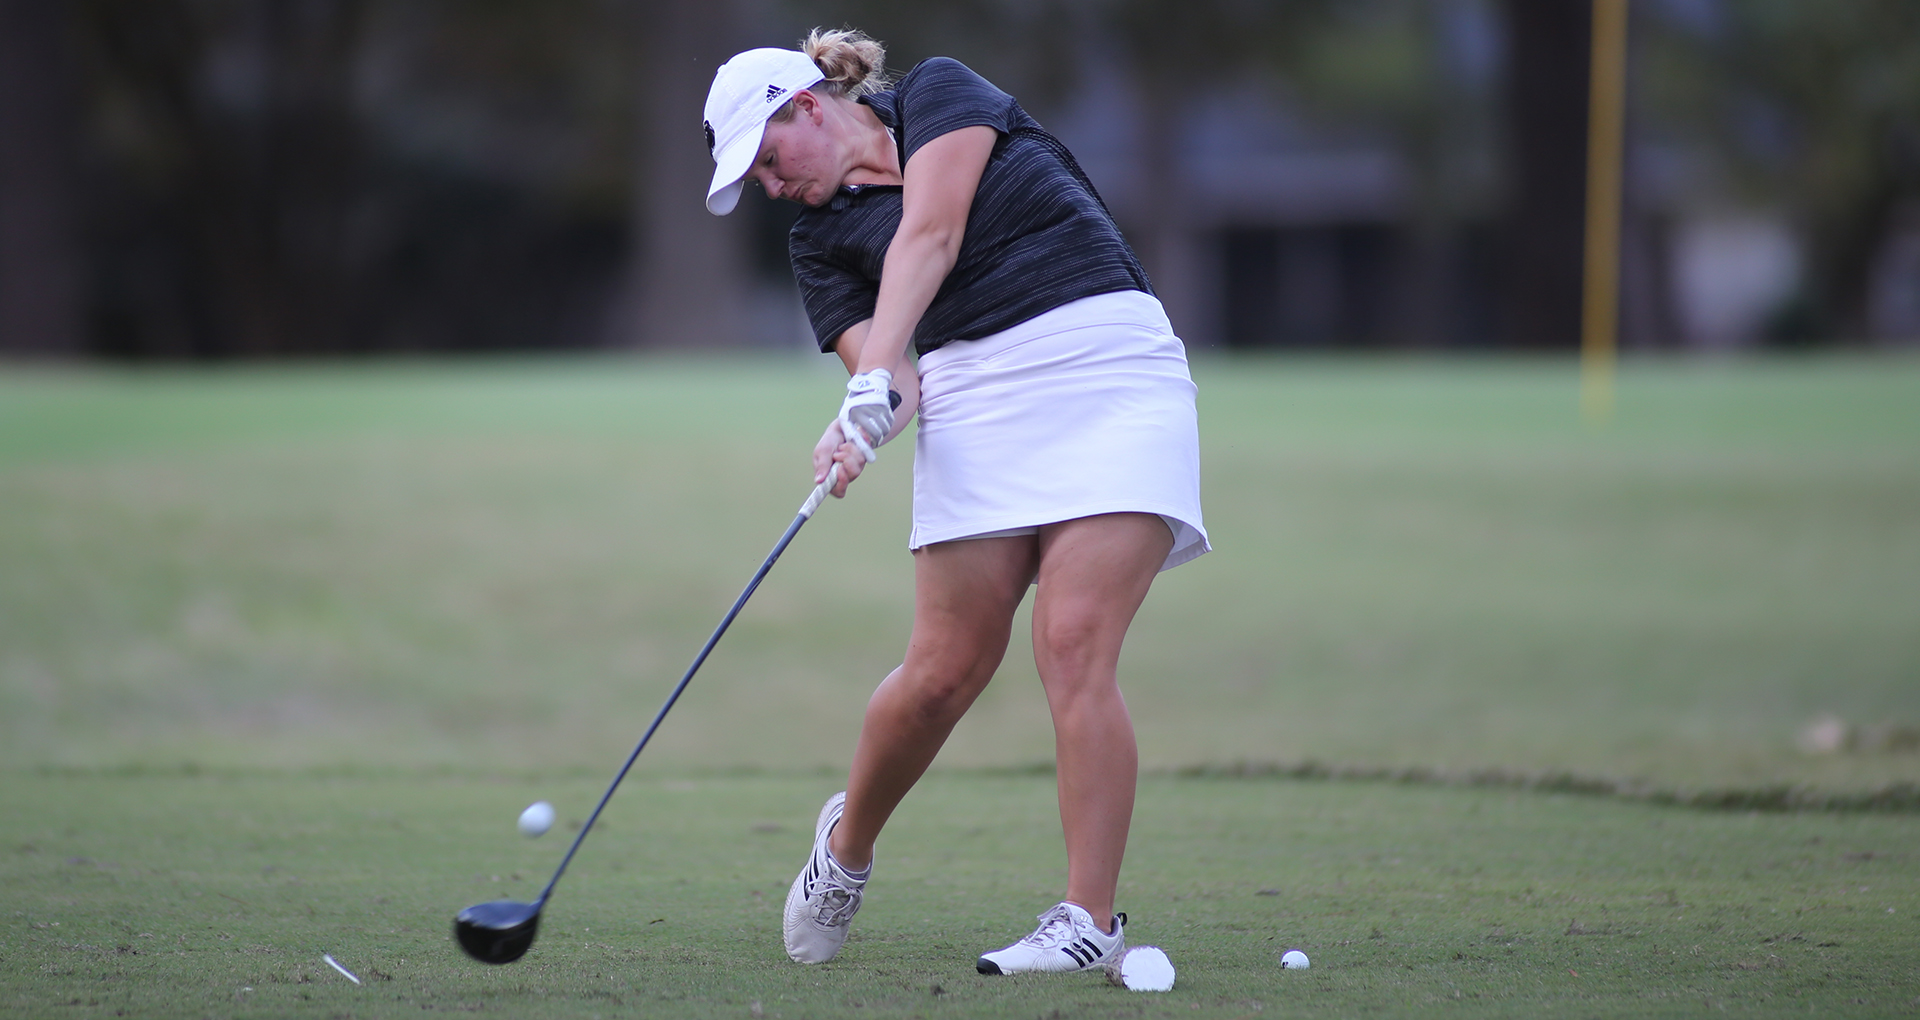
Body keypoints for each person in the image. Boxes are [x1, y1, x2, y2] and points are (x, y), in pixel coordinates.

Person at [701, 28, 1208, 976]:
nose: (770, 187)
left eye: (767, 160)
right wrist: (860, 425)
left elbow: (930, 234)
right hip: (976, 398)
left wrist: (872, 382)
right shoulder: (817, 243)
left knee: (1072, 639)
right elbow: (898, 380)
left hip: (1111, 365)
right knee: (943, 673)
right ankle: (845, 848)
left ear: (806, 105)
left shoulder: (939, 94)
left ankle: (1089, 920)